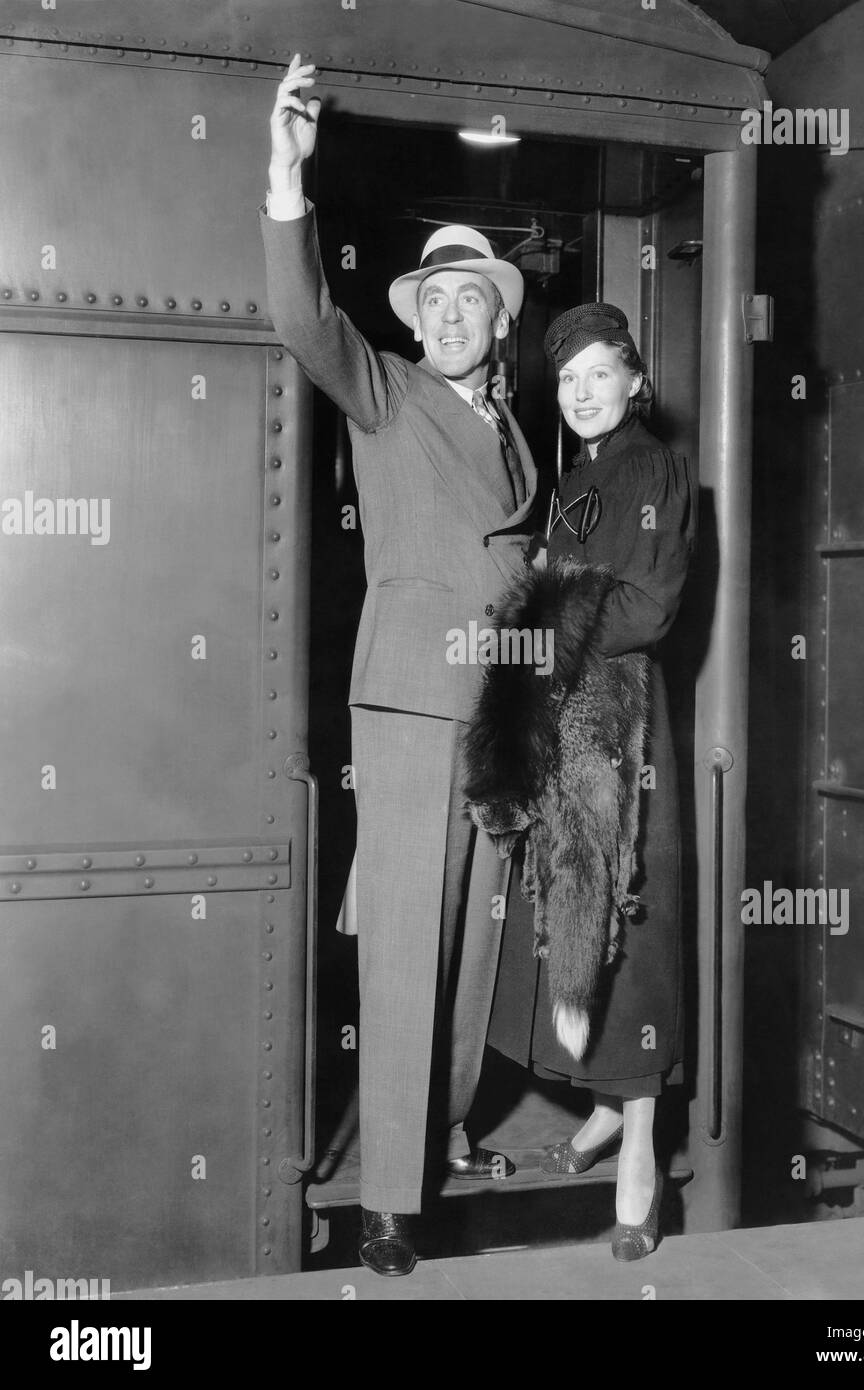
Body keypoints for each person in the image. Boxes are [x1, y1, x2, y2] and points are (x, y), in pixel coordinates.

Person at [260, 57, 538, 1276]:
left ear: (497, 318)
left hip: (499, 713)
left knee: (475, 941)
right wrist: (286, 182)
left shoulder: (518, 432)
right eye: (429, 298)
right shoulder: (387, 393)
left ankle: (445, 1134)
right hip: (418, 700)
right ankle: (388, 1200)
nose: (443, 314)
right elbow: (304, 320)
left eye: (464, 301)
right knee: (409, 945)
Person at [481, 303, 694, 1260]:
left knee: (627, 932)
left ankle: (641, 1156)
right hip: (569, 728)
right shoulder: (579, 479)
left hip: (620, 734)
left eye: (601, 374)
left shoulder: (647, 465)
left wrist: (539, 642)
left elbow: (646, 611)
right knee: (572, 916)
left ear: (635, 382)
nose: (583, 392)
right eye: (568, 380)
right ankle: (607, 1108)